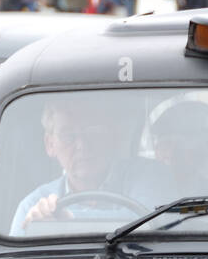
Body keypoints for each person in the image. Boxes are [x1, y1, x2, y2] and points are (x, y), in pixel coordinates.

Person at [10, 97, 174, 236]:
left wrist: (64, 223)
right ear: (50, 144)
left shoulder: (150, 175)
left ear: (112, 137)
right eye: (68, 136)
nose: (82, 145)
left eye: (93, 132)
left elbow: (154, 222)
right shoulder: (33, 206)